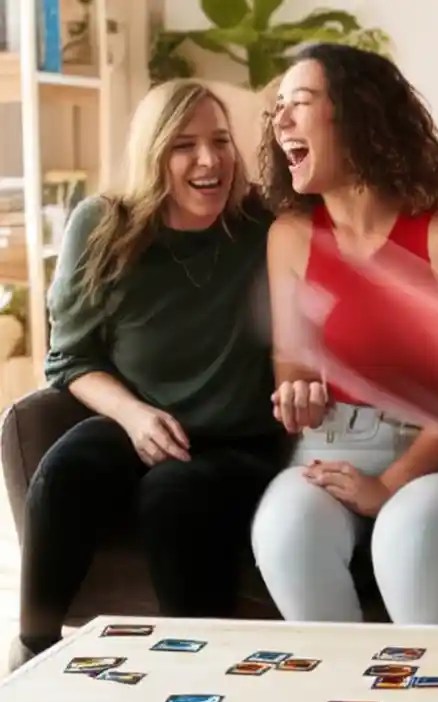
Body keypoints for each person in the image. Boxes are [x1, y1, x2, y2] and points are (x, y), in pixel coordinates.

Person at [14, 79, 287, 667]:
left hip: (238, 439)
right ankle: (33, 649)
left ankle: (200, 668)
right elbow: (70, 356)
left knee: (174, 494)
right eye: (183, 145)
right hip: (141, 418)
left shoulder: (263, 224)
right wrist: (134, 415)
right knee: (64, 471)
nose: (209, 160)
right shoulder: (102, 225)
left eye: (221, 141)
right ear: (152, 153)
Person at [250, 44, 438, 625]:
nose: (280, 120)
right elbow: (291, 357)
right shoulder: (290, 236)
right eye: (278, 107)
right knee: (284, 532)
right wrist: (297, 391)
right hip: (330, 444)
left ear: (358, 116)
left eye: (301, 103)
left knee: (406, 539)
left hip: (437, 453)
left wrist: (390, 483)